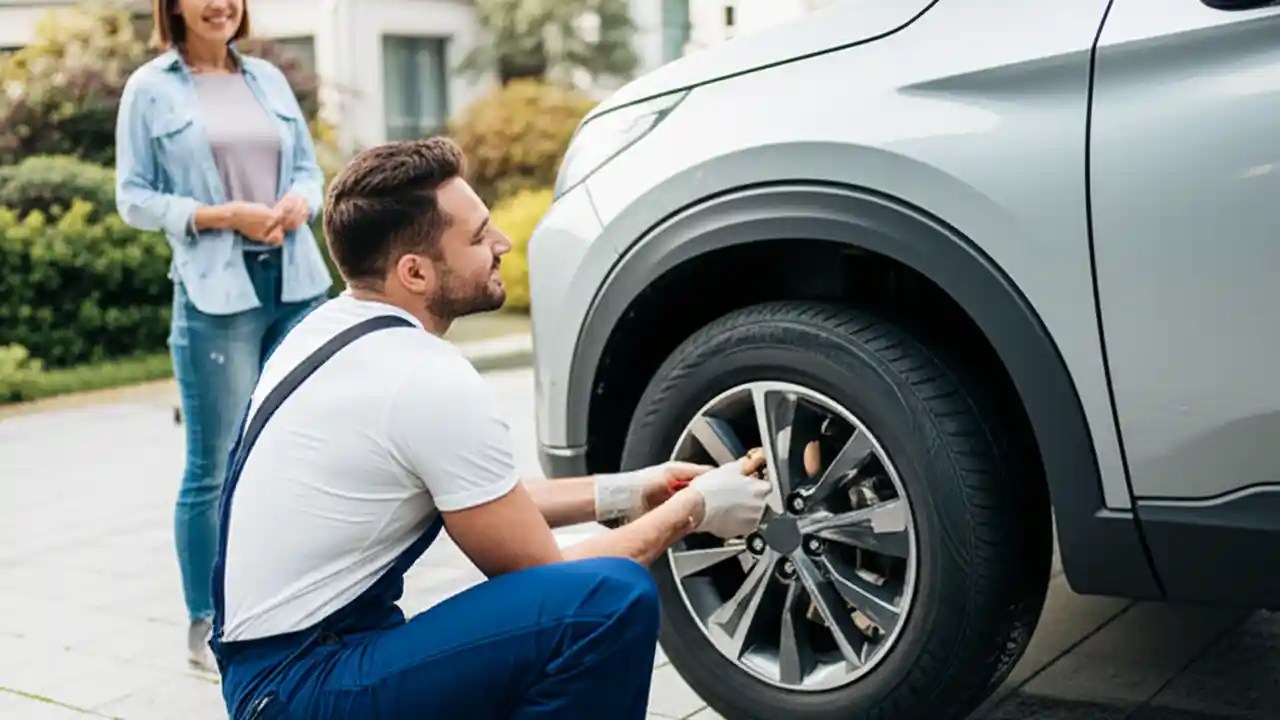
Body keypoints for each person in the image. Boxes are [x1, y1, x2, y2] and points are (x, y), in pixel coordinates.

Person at [207, 137, 773, 719]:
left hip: (283, 672)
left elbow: (484, 498)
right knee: (609, 599)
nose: (502, 244)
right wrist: (694, 511)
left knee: (579, 600)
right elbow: (548, 579)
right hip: (299, 688)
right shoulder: (422, 377)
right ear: (415, 272)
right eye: (478, 237)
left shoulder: (333, 330)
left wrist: (633, 489)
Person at [114, 0, 333, 671]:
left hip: (295, 283)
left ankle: (291, 602)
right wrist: (220, 216)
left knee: (296, 447)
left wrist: (302, 200)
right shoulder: (150, 89)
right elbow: (134, 197)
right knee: (214, 466)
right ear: (172, 6)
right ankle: (207, 622)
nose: (220, 5)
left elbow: (308, 170)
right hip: (217, 296)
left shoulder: (265, 78)